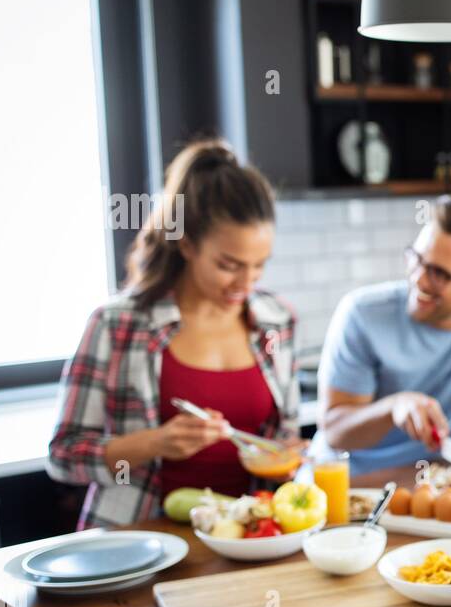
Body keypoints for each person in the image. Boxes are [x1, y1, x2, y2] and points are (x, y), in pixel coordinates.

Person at [48, 139, 299, 528]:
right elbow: (63, 457)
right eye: (229, 265)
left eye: (259, 266)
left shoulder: (277, 321)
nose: (246, 283)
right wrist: (154, 443)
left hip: (250, 540)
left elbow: (284, 442)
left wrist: (289, 460)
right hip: (140, 544)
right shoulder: (117, 324)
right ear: (186, 243)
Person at [318, 195, 451, 477]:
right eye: (417, 259)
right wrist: (394, 407)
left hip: (442, 477)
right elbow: (335, 433)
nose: (418, 279)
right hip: (354, 483)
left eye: (439, 274)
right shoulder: (362, 313)